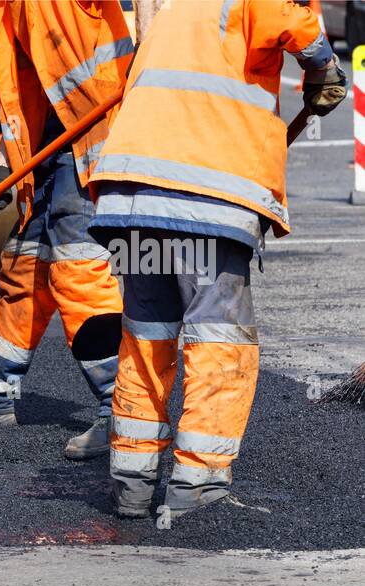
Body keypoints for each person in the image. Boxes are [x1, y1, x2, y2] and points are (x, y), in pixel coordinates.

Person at [89, 0, 347, 519]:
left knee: (147, 334)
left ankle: (133, 483)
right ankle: (197, 483)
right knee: (217, 334)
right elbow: (296, 24)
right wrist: (324, 69)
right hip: (201, 196)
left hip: (132, 196)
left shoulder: (180, 10)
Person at [0, 0, 132, 463]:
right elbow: (29, 99)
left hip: (98, 141)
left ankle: (123, 406)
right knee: (26, 262)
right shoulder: (1, 10)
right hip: (49, 149)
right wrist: (3, 170)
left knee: (79, 269)